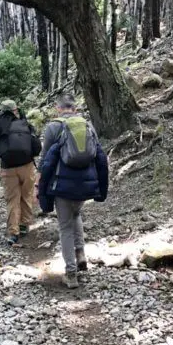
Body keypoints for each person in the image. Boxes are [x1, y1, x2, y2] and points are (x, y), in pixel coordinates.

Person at [37, 95, 109, 288]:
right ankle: (81, 254)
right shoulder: (87, 125)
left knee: (65, 227)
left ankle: (71, 274)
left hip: (62, 186)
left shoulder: (53, 127)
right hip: (85, 186)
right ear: (75, 108)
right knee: (76, 214)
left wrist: (40, 181)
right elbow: (98, 157)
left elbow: (45, 159)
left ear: (57, 108)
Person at [0, 99, 41, 245]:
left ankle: (13, 233)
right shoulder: (25, 124)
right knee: (26, 195)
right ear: (15, 110)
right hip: (27, 165)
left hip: (7, 168)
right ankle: (24, 225)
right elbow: (37, 148)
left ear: (2, 111)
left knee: (12, 200)